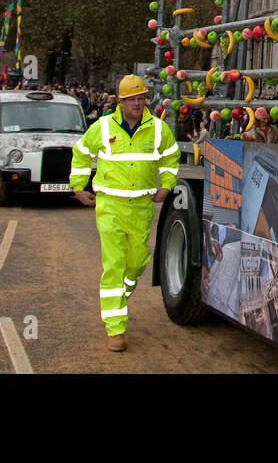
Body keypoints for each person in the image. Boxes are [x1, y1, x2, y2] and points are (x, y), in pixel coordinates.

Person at [70, 74, 178, 353]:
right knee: (115, 264)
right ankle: (115, 328)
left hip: (141, 206)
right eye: (133, 99)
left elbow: (171, 156)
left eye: (142, 98)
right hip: (110, 205)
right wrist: (78, 187)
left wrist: (167, 185)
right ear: (122, 101)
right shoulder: (103, 126)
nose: (138, 103)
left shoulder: (158, 129)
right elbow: (82, 153)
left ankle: (117, 298)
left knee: (137, 261)